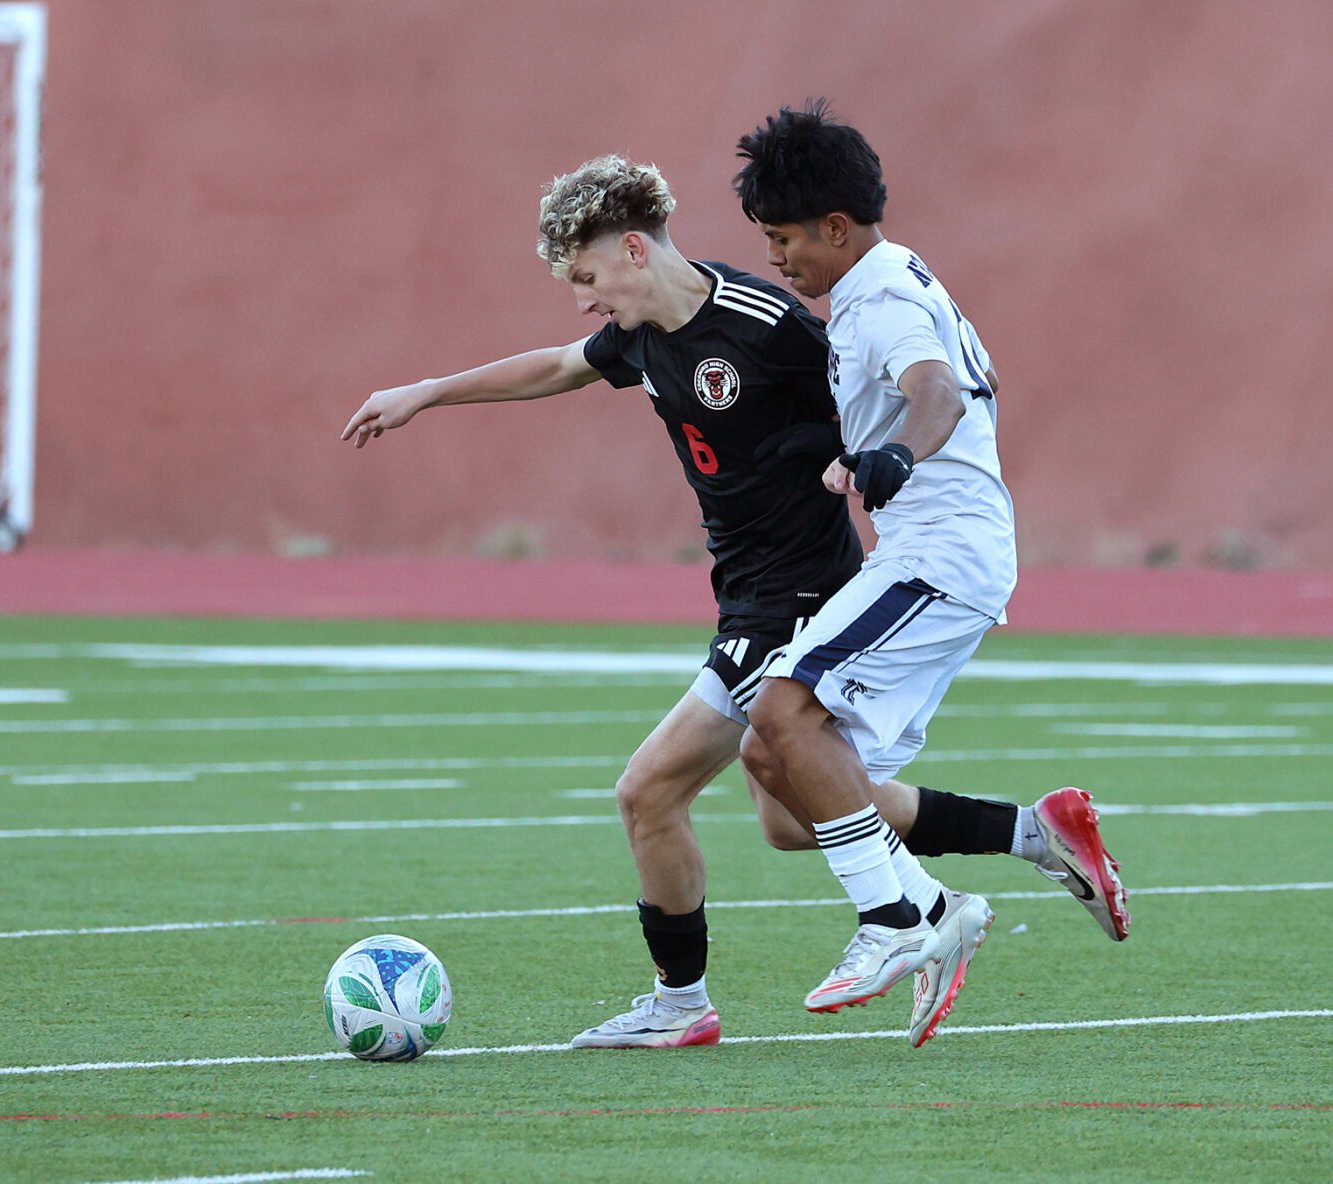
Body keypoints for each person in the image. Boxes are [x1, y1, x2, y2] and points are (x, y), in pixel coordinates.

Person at [342, 154, 1122, 1052]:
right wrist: (426, 393)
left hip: (799, 591)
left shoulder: (767, 323)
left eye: (589, 277)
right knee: (797, 815)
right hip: (746, 590)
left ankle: (764, 972)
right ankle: (1030, 835)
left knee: (652, 789)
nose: (585, 300)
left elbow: (883, 399)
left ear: (633, 250)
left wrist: (865, 460)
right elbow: (557, 364)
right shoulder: (638, 334)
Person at [732, 100, 1130, 1048]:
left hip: (940, 553)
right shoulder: (884, 280)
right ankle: (1027, 839)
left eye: (784, 239)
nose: (777, 258)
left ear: (835, 226)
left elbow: (936, 394)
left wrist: (892, 458)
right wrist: (840, 449)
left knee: (783, 714)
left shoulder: (881, 299)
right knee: (781, 788)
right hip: (929, 550)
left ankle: (897, 920)